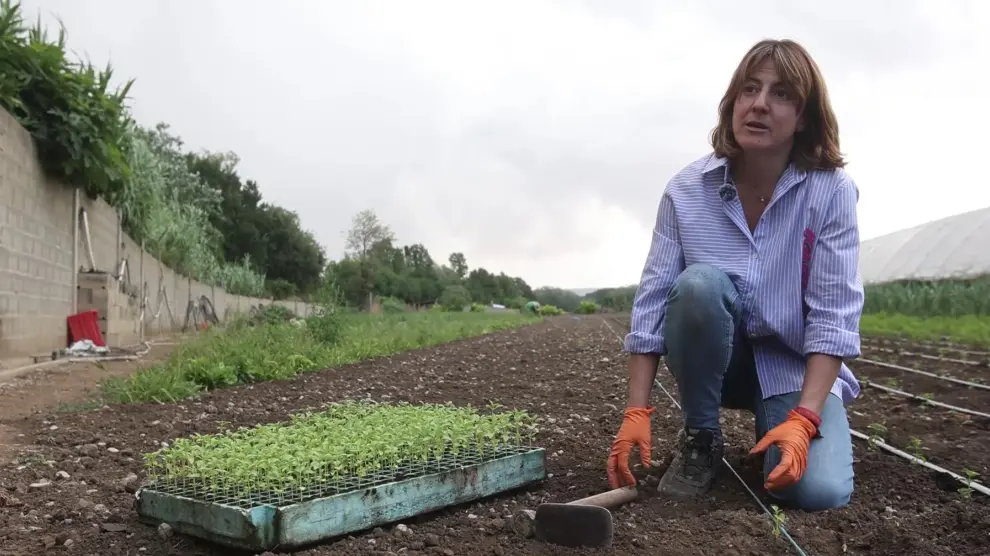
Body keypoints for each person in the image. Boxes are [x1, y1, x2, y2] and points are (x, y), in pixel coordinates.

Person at [605, 38, 864, 513]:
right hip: (715, 364)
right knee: (699, 287)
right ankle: (701, 437)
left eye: (781, 94)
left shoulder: (831, 192)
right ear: (732, 102)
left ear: (804, 117)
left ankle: (785, 425)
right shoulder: (687, 191)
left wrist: (804, 420)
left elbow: (834, 316)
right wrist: (636, 409)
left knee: (815, 492)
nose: (760, 104)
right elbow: (653, 300)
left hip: (790, 366)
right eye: (750, 89)